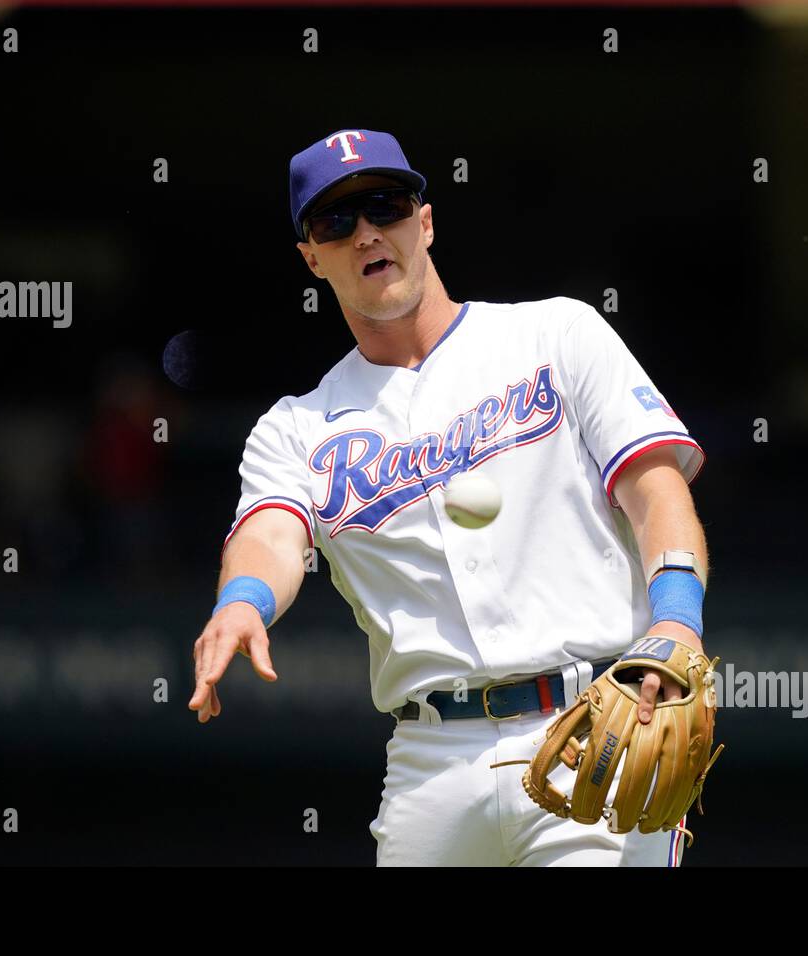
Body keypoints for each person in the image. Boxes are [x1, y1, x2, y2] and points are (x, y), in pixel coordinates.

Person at [189, 128, 711, 866]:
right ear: (311, 258)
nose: (367, 231)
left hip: (592, 724)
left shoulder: (556, 334)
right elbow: (272, 534)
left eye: (386, 205)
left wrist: (678, 620)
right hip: (428, 761)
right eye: (336, 220)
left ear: (425, 222)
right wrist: (242, 601)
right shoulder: (296, 427)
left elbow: (655, 488)